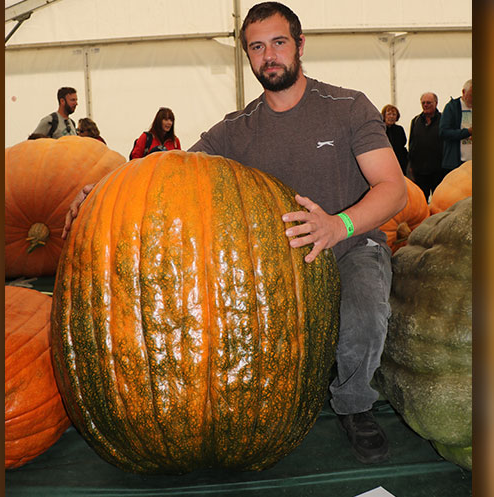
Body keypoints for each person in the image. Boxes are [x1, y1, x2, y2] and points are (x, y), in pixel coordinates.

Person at [63, 1, 405, 464]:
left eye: (279, 43)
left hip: (348, 239)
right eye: (257, 47)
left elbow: (394, 190)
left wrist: (336, 224)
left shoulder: (348, 108)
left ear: (300, 46)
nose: (269, 56)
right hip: (278, 259)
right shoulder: (236, 130)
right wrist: (97, 190)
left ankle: (355, 404)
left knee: (363, 312)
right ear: (248, 55)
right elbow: (162, 173)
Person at [408, 92, 445, 199]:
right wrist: (411, 166)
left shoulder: (444, 120)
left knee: (440, 200)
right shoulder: (415, 121)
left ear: (436, 103)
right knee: (421, 201)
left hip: (438, 170)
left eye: (429, 102)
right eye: (423, 103)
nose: (425, 105)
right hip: (420, 171)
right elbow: (412, 144)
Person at [440, 79, 473, 171]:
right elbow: (443, 132)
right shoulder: (452, 107)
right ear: (463, 92)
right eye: (472, 95)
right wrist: (467, 132)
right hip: (456, 162)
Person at [381, 104, 409, 175]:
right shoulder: (380, 129)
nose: (391, 116)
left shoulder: (399, 129)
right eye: (389, 114)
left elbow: (403, 144)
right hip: (384, 163)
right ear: (384, 116)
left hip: (399, 163)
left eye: (394, 114)